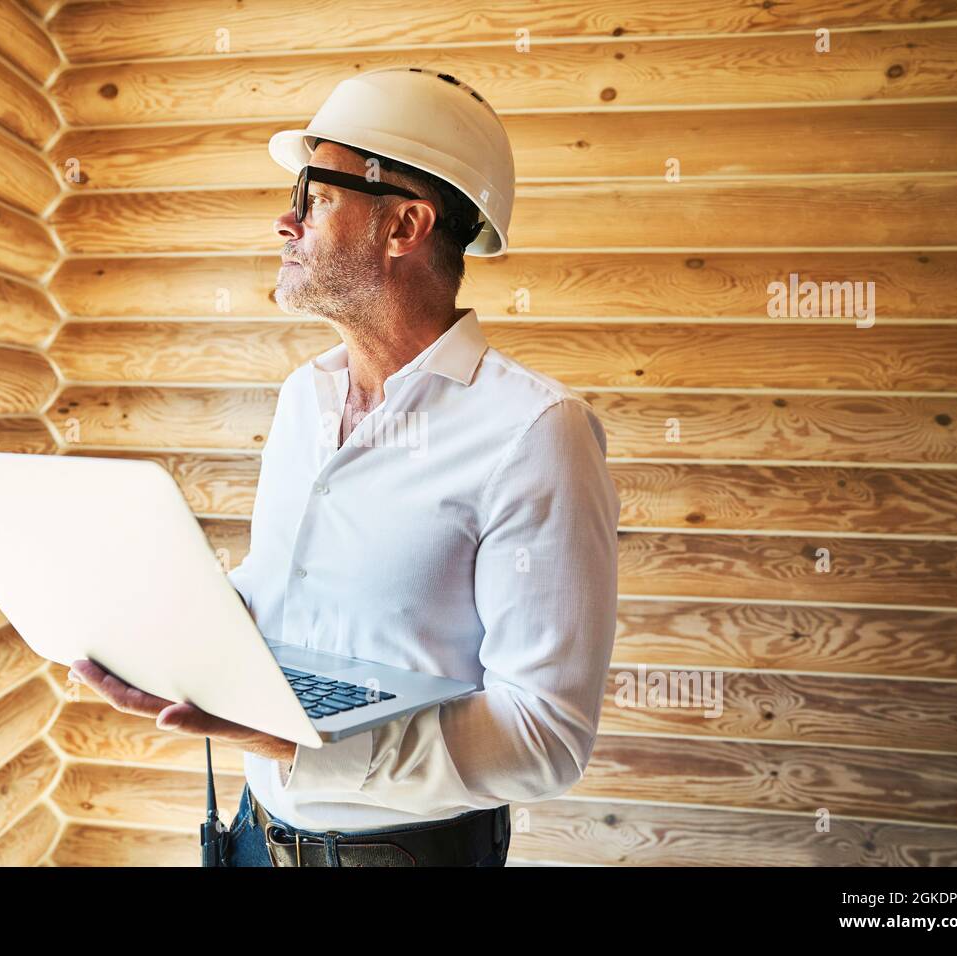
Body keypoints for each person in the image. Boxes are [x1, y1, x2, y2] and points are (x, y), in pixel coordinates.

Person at [71, 67, 621, 867]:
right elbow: (282, 595)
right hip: (258, 838)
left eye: (314, 195)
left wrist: (296, 741)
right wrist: (164, 623)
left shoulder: (535, 432)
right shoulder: (306, 396)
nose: (283, 221)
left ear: (403, 227)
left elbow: (546, 737)